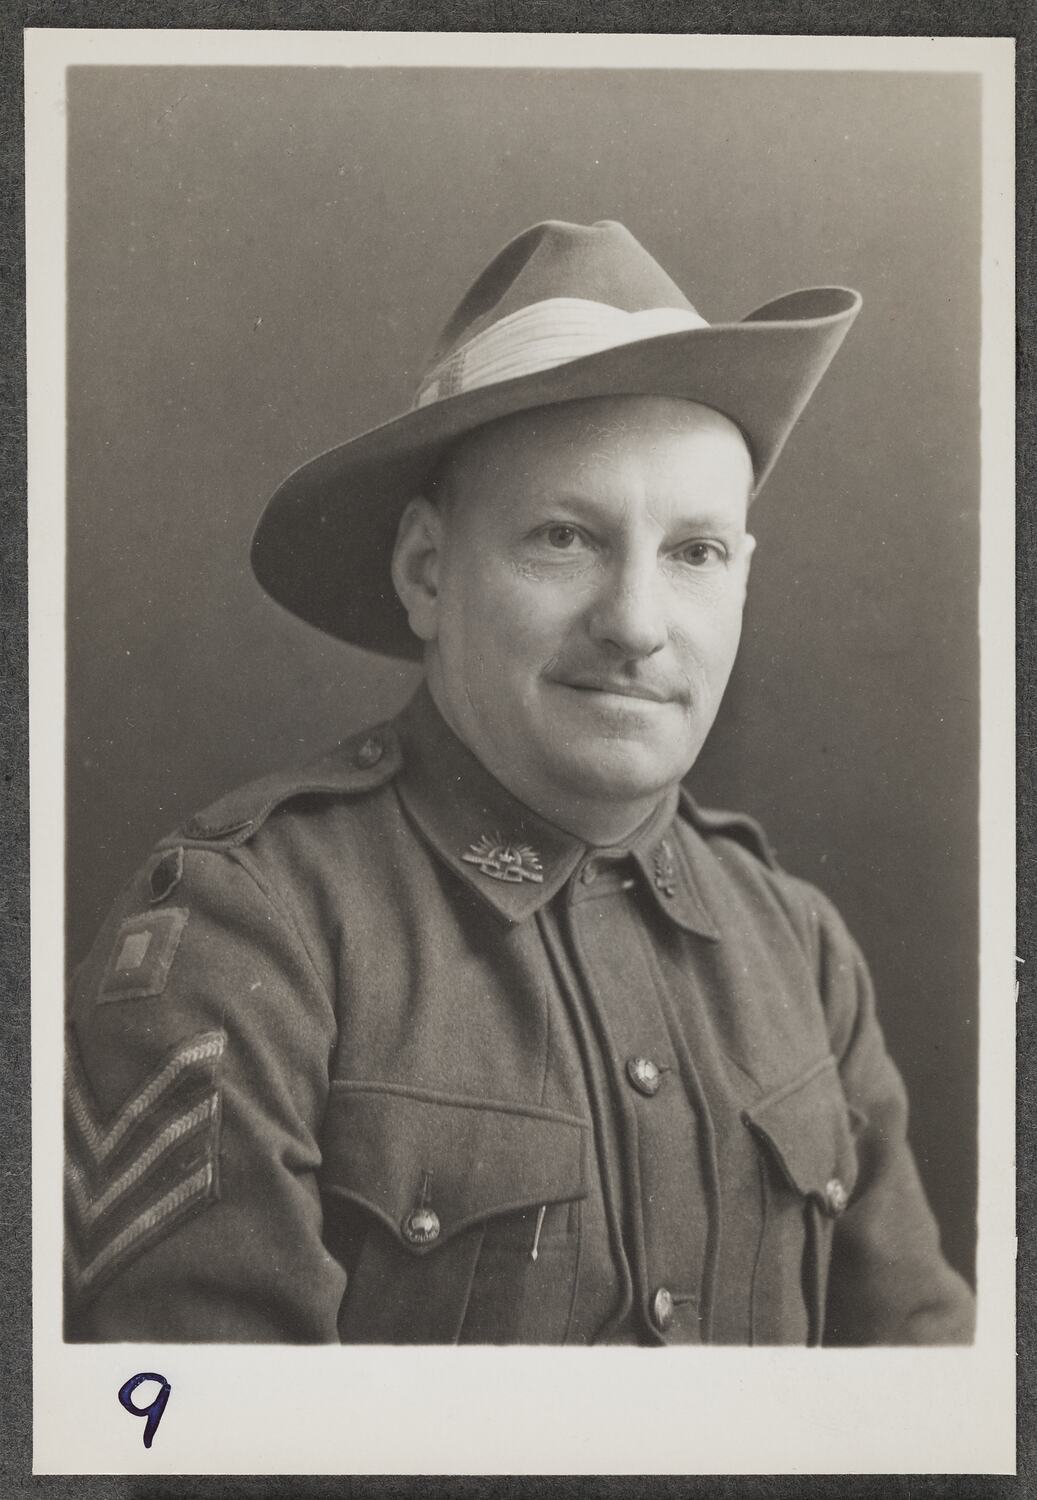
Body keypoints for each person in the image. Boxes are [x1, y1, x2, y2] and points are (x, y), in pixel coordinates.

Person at [65, 219, 975, 1345]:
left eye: (692, 552)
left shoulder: (800, 948)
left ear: (739, 579)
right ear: (427, 573)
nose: (637, 624)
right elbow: (198, 1444)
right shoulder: (249, 934)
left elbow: (934, 1400)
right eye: (563, 537)